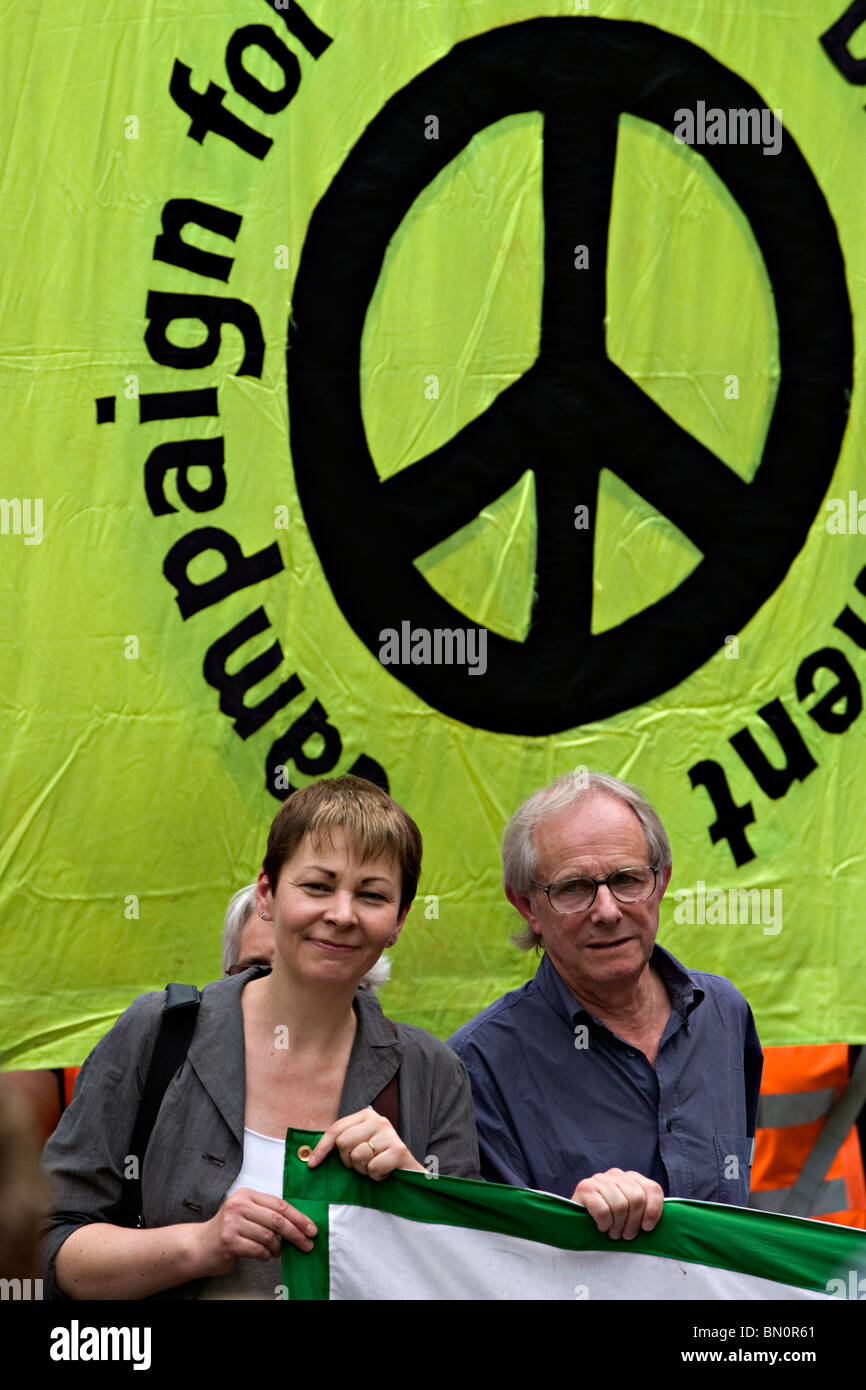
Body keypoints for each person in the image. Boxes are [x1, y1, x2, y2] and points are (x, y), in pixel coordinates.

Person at [42, 776, 479, 1299]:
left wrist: (413, 1187)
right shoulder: (158, 1029)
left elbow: (464, 1280)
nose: (341, 914)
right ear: (268, 895)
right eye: (317, 886)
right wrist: (198, 1245)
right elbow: (50, 1242)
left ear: (400, 920)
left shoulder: (433, 1070)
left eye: (371, 895)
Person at [448, 770, 762, 1241]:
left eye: (627, 879)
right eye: (573, 888)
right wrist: (569, 1227)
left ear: (661, 882)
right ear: (527, 906)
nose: (608, 910)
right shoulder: (479, 1066)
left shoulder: (724, 1014)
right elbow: (492, 1261)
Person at [222, 882, 391, 992]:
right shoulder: (202, 1044)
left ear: (362, 985)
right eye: (255, 972)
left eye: (301, 972)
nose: (278, 990)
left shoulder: (405, 1047)